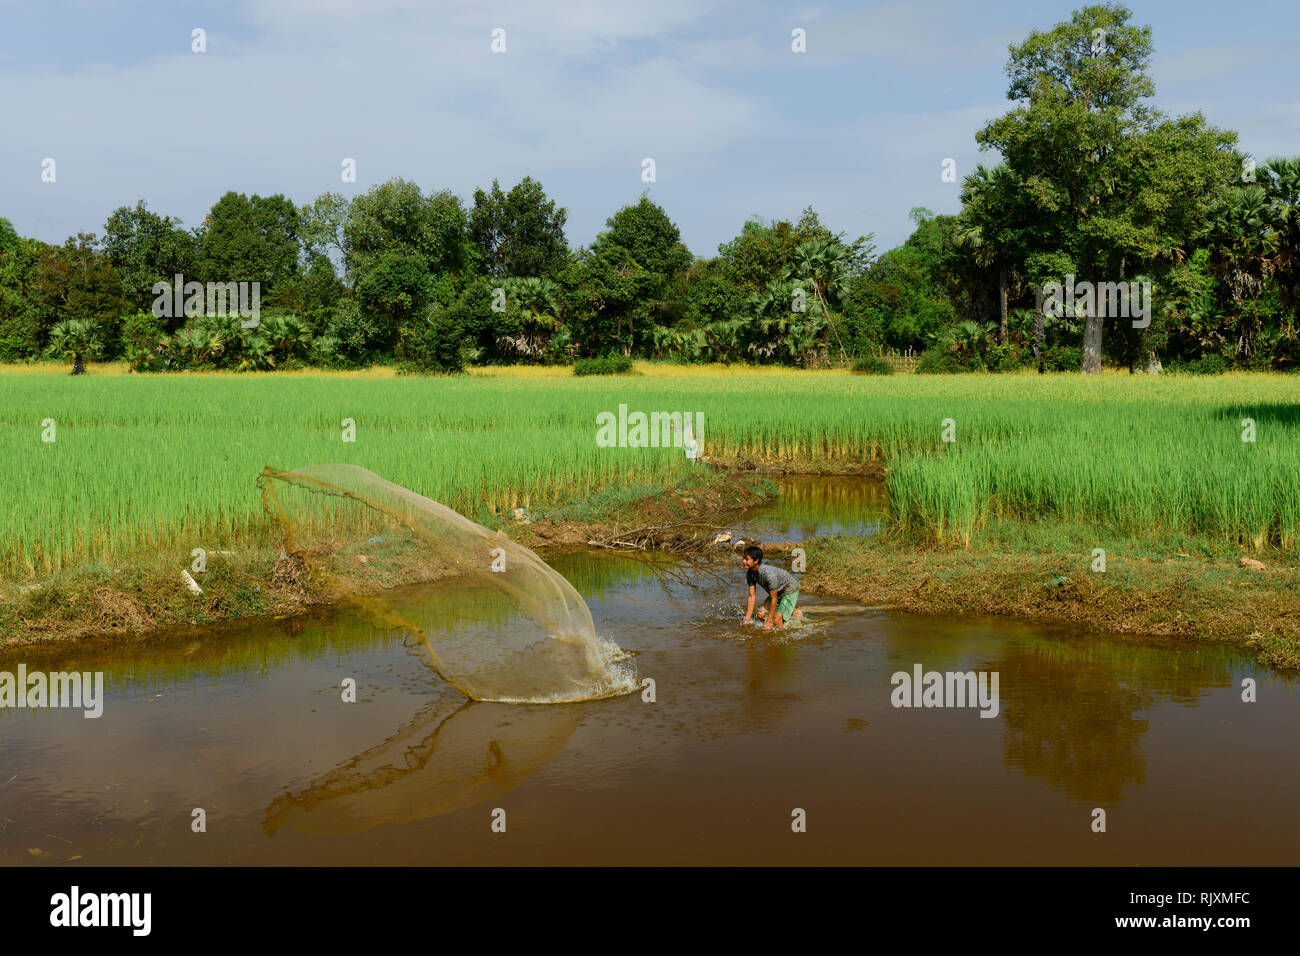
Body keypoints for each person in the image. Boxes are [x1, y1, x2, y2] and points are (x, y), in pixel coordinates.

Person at [740, 545, 800, 630]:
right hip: (777, 591)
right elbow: (751, 596)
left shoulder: (768, 574)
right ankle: (792, 612)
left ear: (756, 561)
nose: (743, 561)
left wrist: (769, 621)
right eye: (743, 558)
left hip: (790, 589)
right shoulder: (750, 573)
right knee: (760, 614)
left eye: (746, 559)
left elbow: (774, 599)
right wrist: (747, 619)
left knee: (776, 620)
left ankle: (779, 639)